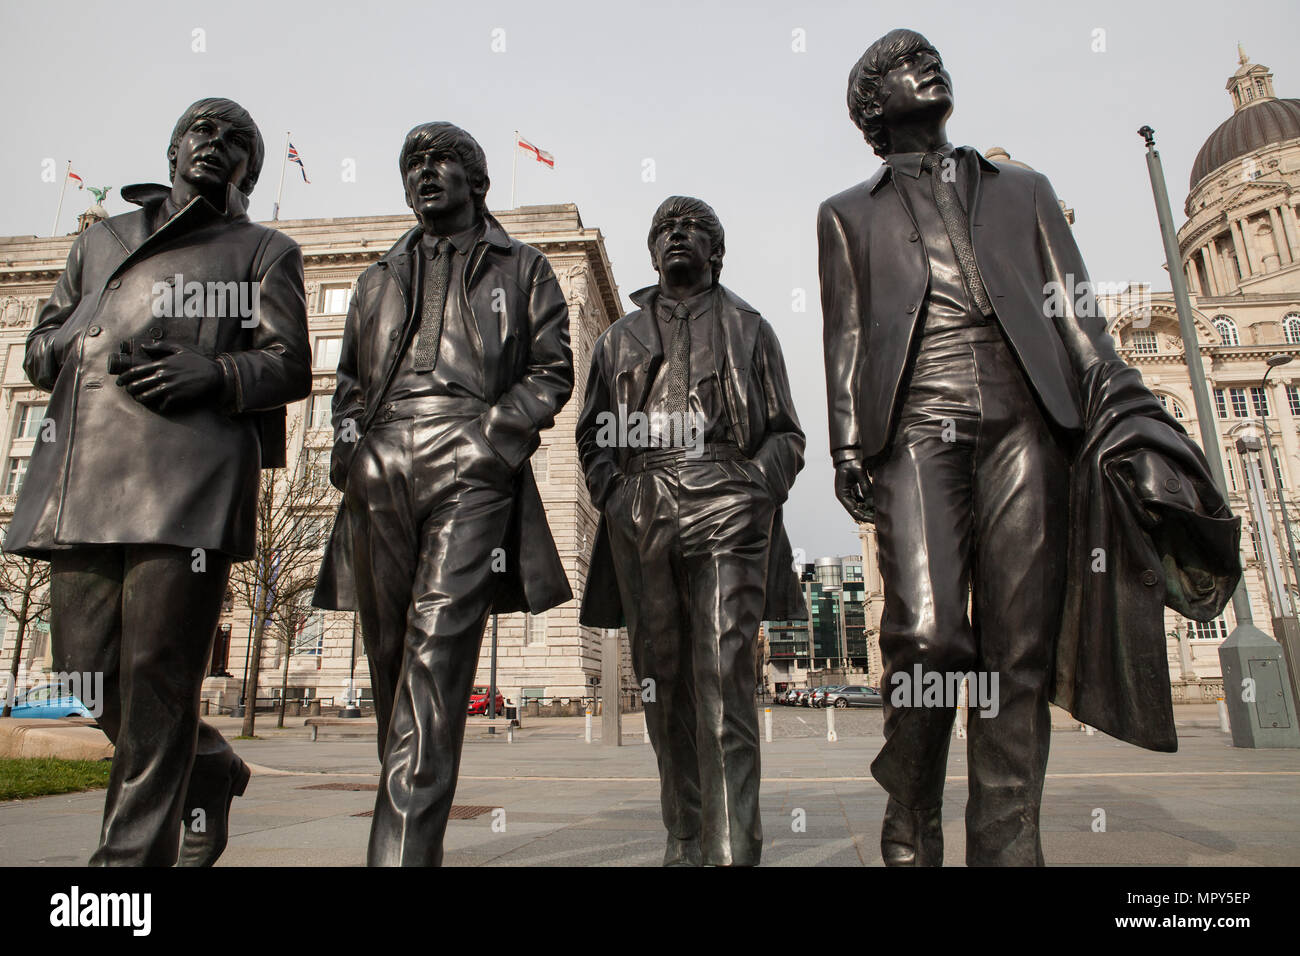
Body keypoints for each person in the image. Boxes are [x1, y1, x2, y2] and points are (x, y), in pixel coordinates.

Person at [6, 97, 312, 866]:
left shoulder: (262, 250)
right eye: (203, 131)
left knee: (158, 679)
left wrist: (214, 372)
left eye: (237, 141)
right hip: (83, 479)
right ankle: (209, 766)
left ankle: (125, 875)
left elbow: (291, 364)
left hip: (186, 481)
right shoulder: (100, 240)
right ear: (174, 146)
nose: (217, 145)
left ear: (249, 169)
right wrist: (93, 319)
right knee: (88, 670)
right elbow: (40, 350)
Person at [312, 122, 573, 867]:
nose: (426, 173)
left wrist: (492, 439)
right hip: (380, 465)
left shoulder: (524, 268)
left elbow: (552, 368)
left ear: (476, 180)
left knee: (435, 654)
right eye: (413, 164)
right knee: (392, 662)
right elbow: (349, 388)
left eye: (443, 162)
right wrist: (351, 451)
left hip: (470, 455)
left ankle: (398, 856)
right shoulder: (374, 278)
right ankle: (411, 830)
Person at [578, 196, 805, 866]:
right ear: (651, 252)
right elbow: (592, 437)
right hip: (644, 506)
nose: (678, 235)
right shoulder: (617, 339)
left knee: (725, 673)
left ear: (717, 251)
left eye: (694, 228)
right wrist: (618, 498)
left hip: (727, 500)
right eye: (664, 229)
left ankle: (733, 847)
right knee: (663, 681)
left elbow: (787, 433)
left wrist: (754, 488)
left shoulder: (751, 327)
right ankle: (685, 830)